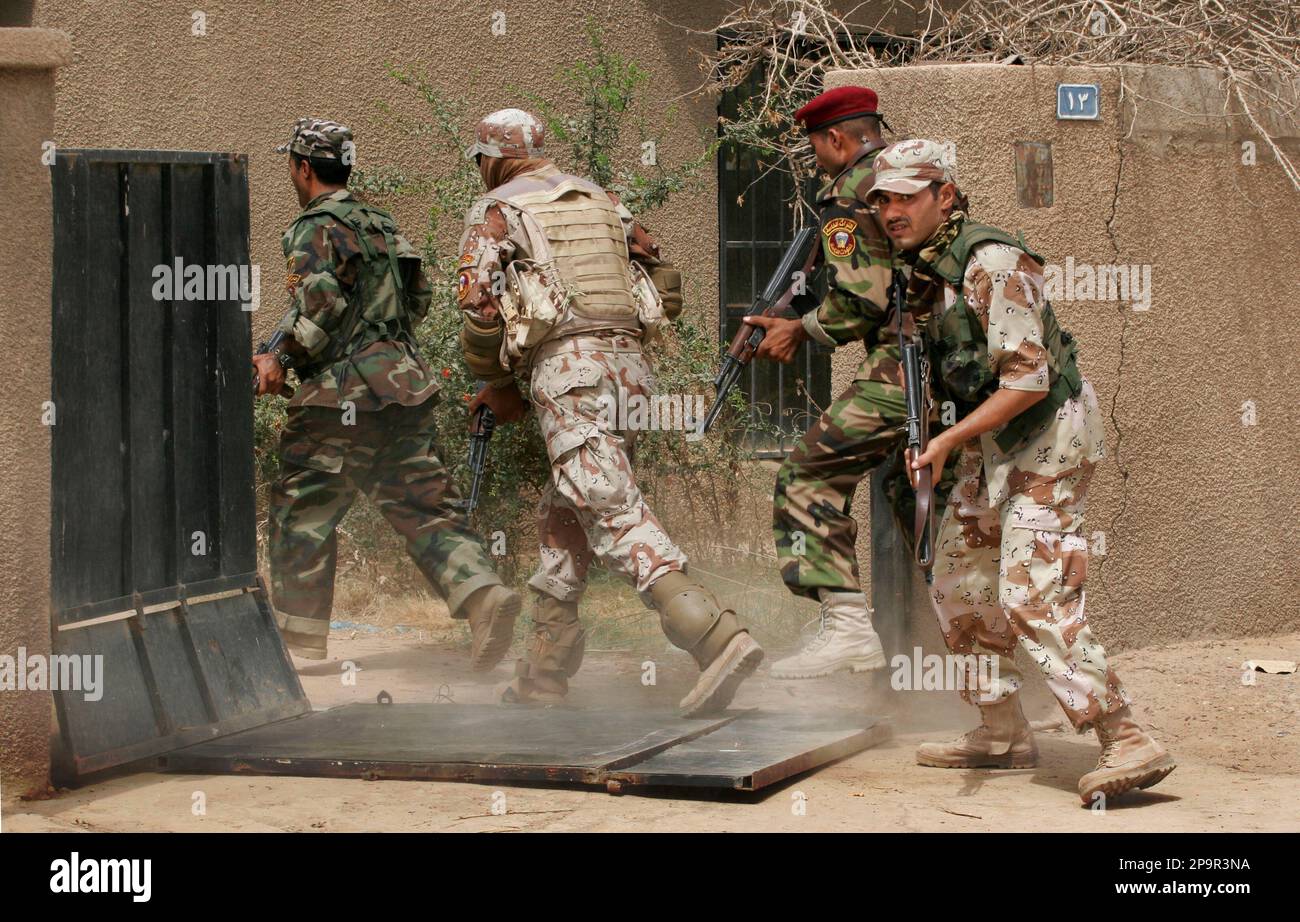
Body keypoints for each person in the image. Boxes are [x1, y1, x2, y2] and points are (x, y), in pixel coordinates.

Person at [870, 138, 1175, 803]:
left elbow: (1029, 382)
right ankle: (1001, 730)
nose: (892, 211)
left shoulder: (997, 263)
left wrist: (949, 439)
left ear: (944, 196)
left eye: (905, 196)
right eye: (883, 200)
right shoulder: (928, 269)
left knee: (1030, 591)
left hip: (1047, 437)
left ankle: (1125, 736)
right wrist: (930, 433)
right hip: (994, 444)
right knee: (957, 576)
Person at [455, 108, 763, 716]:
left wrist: (495, 380)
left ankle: (714, 636)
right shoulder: (604, 201)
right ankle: (544, 674)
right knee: (568, 509)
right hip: (631, 373)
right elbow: (663, 277)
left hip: (569, 372)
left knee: (613, 510)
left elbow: (477, 303)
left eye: (480, 162)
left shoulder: (498, 211)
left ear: (492, 157)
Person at [255, 117, 520, 668]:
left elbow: (319, 307)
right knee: (424, 505)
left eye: (291, 165)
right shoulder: (382, 224)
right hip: (405, 388)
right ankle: (483, 596)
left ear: (303, 168)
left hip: (341, 395)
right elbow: (418, 300)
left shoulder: (314, 226)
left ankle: (298, 643)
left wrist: (278, 358)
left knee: (303, 507)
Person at [744, 86, 900, 679]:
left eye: (815, 148)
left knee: (805, 476)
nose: (816, 161)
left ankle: (849, 632)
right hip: (956, 366)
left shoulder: (849, 191)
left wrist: (799, 331)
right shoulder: (914, 174)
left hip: (904, 368)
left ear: (836, 139)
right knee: (922, 509)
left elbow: (863, 300)